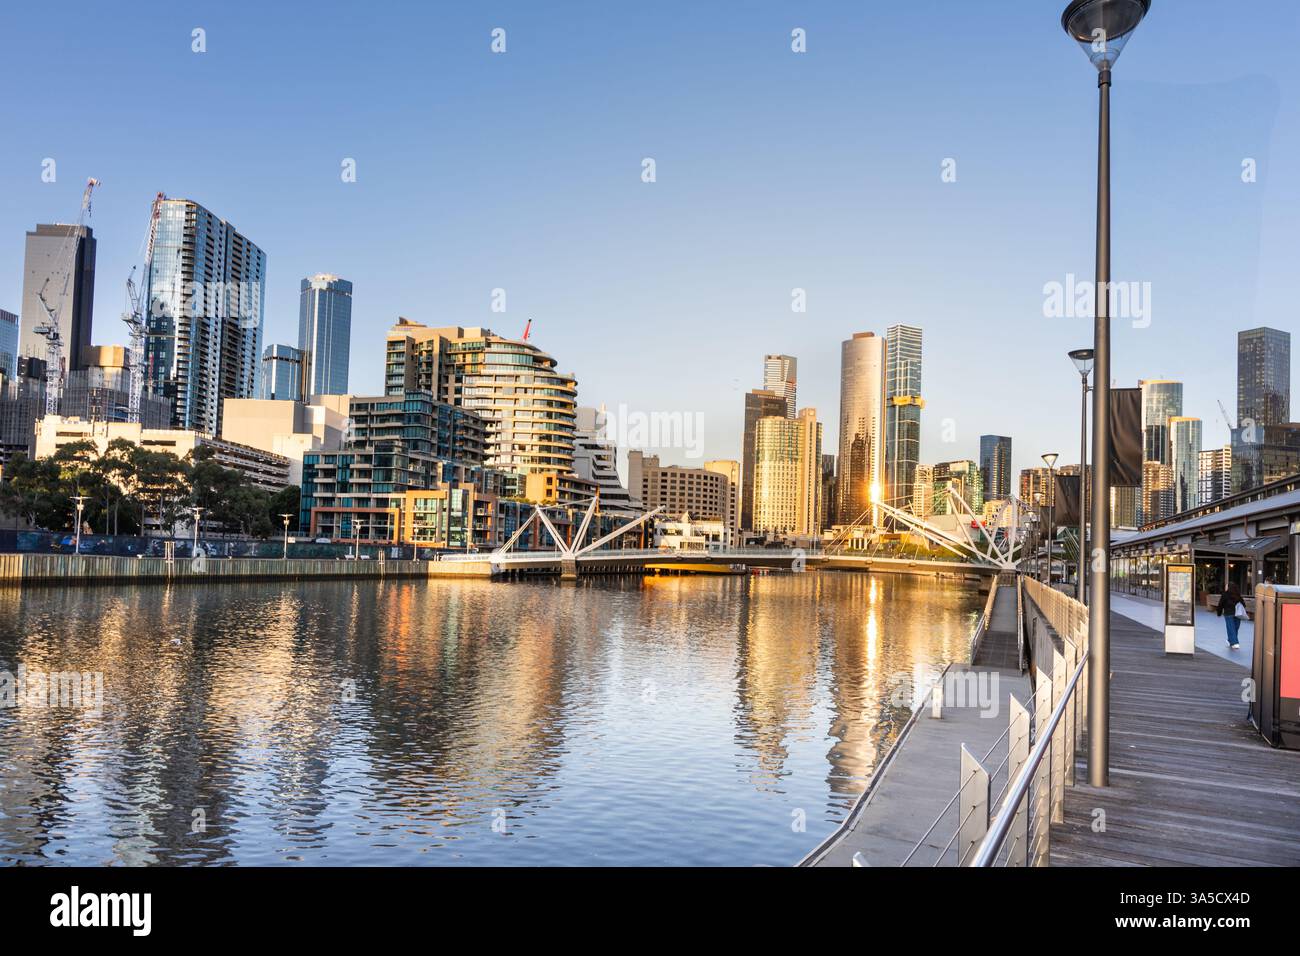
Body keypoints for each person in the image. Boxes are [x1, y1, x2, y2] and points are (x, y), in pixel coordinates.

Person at [1216, 583, 1245, 649]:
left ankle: (1234, 642)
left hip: (1228, 614)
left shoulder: (1225, 594)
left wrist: (1219, 613)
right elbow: (1243, 604)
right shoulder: (1238, 595)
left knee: (1231, 628)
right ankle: (1231, 641)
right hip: (1238, 614)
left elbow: (1221, 604)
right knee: (1235, 628)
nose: (1225, 587)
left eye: (1226, 586)